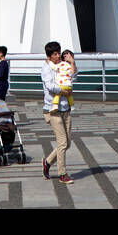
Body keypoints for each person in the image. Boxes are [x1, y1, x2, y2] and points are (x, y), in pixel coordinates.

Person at [41, 41, 74, 184]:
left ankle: (47, 162)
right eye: (55, 54)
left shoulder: (64, 65)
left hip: (66, 107)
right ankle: (62, 174)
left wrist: (72, 63)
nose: (58, 56)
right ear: (49, 56)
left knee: (67, 143)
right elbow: (49, 85)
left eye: (59, 52)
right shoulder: (46, 68)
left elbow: (73, 77)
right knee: (62, 142)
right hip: (52, 109)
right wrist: (64, 91)